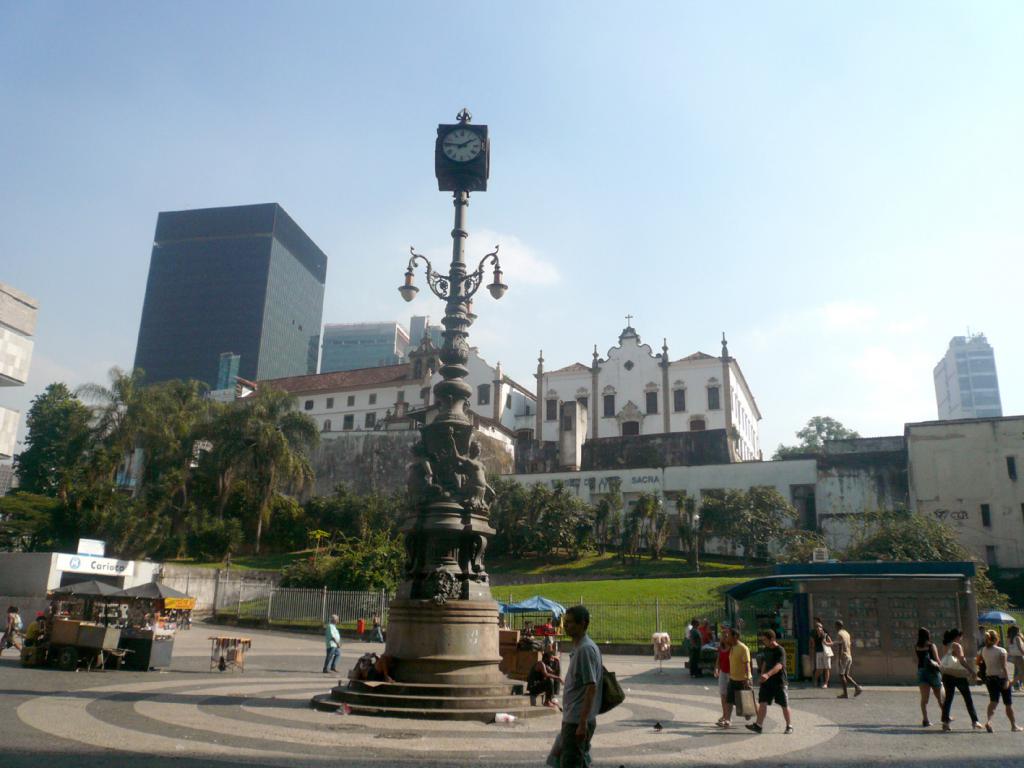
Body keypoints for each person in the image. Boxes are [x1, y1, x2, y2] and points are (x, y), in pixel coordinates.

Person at [547, 605, 602, 768]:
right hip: (574, 718)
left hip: (577, 720)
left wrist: (582, 722)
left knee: (570, 762)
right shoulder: (581, 647)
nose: (566, 626)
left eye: (570, 622)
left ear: (583, 624)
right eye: (565, 622)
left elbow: (591, 687)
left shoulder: (585, 649)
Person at [746, 629, 793, 734]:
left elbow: (779, 665)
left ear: (772, 639)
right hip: (767, 682)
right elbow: (765, 662)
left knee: (784, 704)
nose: (763, 642)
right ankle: (759, 725)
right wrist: (762, 675)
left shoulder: (780, 650)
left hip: (780, 682)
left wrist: (768, 674)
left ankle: (789, 725)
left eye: (765, 640)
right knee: (762, 702)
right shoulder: (766, 649)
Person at [939, 627, 982, 731]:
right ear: (958, 636)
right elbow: (961, 660)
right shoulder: (957, 645)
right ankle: (974, 721)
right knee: (967, 698)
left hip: (947, 674)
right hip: (958, 675)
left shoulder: (946, 645)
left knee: (948, 698)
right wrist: (972, 671)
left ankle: (945, 722)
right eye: (961, 636)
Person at [981, 629, 1022, 732]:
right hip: (1001, 678)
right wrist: (1008, 680)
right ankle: (1013, 725)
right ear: (997, 639)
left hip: (990, 678)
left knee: (993, 701)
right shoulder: (1001, 650)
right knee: (1008, 703)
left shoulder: (984, 650)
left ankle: (989, 721)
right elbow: (1004, 667)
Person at [915, 627, 944, 727]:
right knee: (939, 697)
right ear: (928, 635)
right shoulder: (931, 645)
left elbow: (917, 660)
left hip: (921, 672)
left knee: (924, 699)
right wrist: (942, 669)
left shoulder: (917, 646)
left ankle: (925, 719)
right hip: (932, 672)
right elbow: (937, 660)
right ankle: (945, 718)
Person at [725, 628, 753, 722]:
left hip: (743, 680)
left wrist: (747, 678)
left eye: (729, 635)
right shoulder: (732, 646)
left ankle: (759, 714)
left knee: (747, 705)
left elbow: (747, 664)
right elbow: (722, 643)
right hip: (733, 679)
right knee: (729, 700)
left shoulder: (743, 648)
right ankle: (727, 720)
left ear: (735, 636)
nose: (727, 637)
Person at [832, 620, 863, 698]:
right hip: (849, 656)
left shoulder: (839, 634)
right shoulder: (847, 633)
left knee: (841, 675)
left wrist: (839, 659)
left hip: (843, 657)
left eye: (835, 626)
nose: (835, 627)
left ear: (838, 626)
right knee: (846, 675)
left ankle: (845, 694)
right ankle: (857, 687)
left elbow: (840, 646)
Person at [713, 628, 733, 728]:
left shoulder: (733, 648)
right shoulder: (720, 648)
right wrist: (716, 669)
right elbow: (718, 660)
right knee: (723, 695)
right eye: (722, 635)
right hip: (723, 673)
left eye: (726, 635)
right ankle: (725, 715)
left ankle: (727, 717)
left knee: (730, 696)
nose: (724, 637)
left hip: (732, 673)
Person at [812, 619, 832, 689]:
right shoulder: (815, 636)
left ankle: (825, 683)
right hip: (819, 652)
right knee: (819, 668)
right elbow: (814, 645)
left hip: (826, 652)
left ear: (822, 628)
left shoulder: (826, 635)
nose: (818, 628)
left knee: (827, 668)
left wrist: (826, 643)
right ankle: (815, 679)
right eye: (817, 627)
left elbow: (831, 643)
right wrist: (813, 653)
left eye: (820, 627)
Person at [1007, 625, 1024, 691]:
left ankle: (1016, 685)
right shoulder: (1017, 637)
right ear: (1016, 631)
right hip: (1020, 656)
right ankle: (1011, 684)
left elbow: (1008, 648)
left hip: (1014, 656)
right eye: (1019, 630)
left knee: (1018, 671)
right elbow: (1020, 648)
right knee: (1021, 672)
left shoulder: (1009, 638)